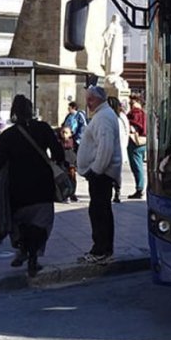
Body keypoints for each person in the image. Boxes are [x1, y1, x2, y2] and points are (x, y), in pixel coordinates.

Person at [0, 95, 65, 277]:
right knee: (40, 223)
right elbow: (58, 152)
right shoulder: (43, 129)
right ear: (31, 110)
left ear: (14, 112)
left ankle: (23, 249)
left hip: (18, 186)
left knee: (21, 223)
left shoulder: (8, 135)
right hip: (42, 185)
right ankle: (33, 255)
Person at [76, 85, 122, 264]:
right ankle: (102, 248)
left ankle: (101, 249)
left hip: (101, 174)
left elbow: (105, 147)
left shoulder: (103, 117)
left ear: (99, 99)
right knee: (99, 211)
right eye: (87, 99)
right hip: (100, 173)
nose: (88, 103)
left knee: (99, 212)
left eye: (91, 99)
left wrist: (96, 170)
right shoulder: (103, 115)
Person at [107, 97, 130, 203]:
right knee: (116, 172)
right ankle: (116, 191)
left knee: (112, 172)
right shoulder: (122, 117)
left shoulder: (115, 117)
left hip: (114, 148)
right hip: (118, 148)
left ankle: (116, 192)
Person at [126, 93, 147, 199]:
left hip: (135, 142)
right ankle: (140, 187)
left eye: (132, 101)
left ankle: (139, 188)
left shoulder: (135, 113)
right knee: (139, 166)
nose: (130, 103)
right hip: (143, 141)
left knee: (136, 166)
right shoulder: (143, 112)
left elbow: (134, 126)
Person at [58, 126, 79, 202]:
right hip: (63, 164)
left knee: (72, 179)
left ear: (70, 133)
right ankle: (66, 194)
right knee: (65, 180)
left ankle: (72, 194)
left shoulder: (73, 142)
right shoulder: (59, 142)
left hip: (71, 163)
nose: (64, 134)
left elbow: (77, 151)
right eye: (63, 132)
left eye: (66, 132)